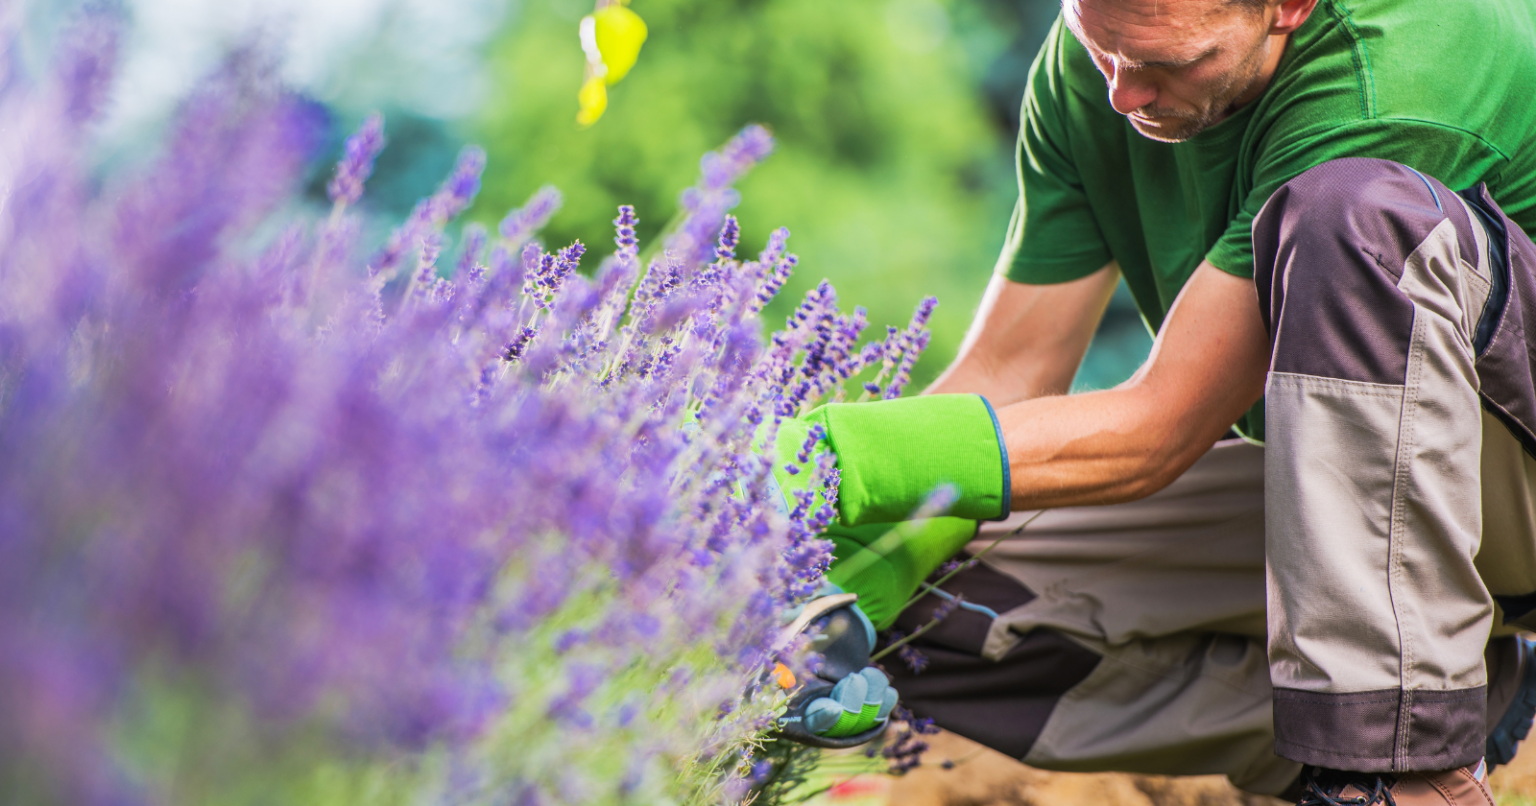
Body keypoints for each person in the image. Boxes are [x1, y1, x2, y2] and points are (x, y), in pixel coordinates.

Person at [775, 0, 1536, 803]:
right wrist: (841, 584)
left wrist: (827, 454)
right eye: (1103, 50)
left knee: (1353, 218)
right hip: (1374, 483)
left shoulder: (1403, 68)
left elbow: (1161, 429)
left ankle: (1398, 776)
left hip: (1512, 481)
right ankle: (1465, 701)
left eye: (1170, 65)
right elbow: (1006, 373)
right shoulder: (1106, 59)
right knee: (942, 615)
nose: (1121, 97)